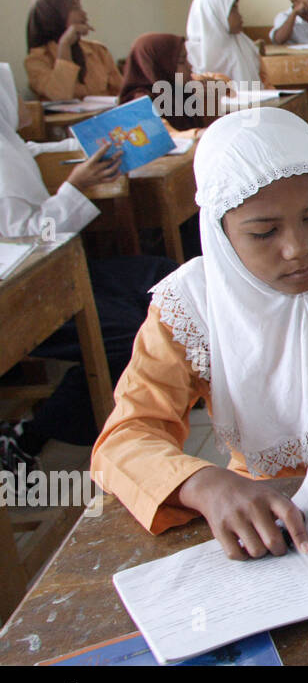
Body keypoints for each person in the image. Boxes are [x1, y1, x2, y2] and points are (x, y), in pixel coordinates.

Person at [90, 109, 308, 567]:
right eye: (264, 232)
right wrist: (207, 487)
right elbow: (126, 436)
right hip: (263, 505)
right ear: (220, 235)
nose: (299, 247)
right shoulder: (191, 308)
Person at [0, 62, 176, 474]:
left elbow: (29, 153)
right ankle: (35, 431)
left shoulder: (7, 142)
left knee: (164, 276)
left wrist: (77, 153)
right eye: (16, 96)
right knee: (126, 333)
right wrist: (75, 187)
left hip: (64, 268)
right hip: (29, 289)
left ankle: (181, 383)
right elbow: (28, 241)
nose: (26, 105)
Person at [23, 0, 123, 101]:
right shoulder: (36, 60)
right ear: (53, 15)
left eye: (81, 8)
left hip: (108, 116)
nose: (84, 14)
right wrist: (65, 45)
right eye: (75, 8)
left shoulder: (97, 50)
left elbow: (122, 93)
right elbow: (61, 95)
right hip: (72, 119)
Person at [185, 0, 265, 85]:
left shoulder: (244, 44)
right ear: (216, 13)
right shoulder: (190, 56)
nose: (240, 16)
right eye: (234, 9)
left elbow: (264, 82)